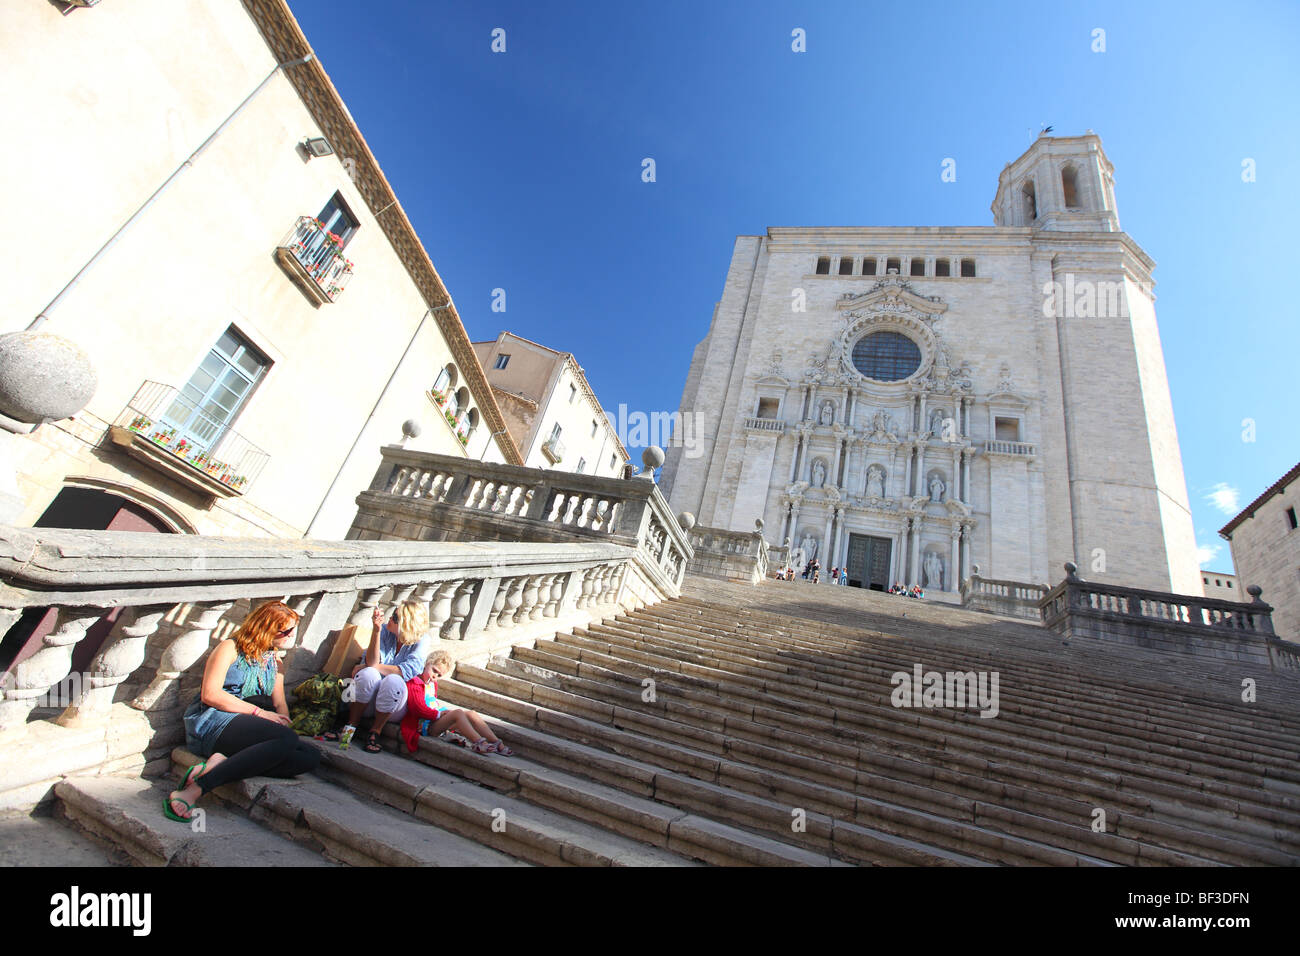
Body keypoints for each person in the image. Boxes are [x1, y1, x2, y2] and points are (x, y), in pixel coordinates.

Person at [167, 601, 320, 823]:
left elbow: (279, 703)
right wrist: (260, 713)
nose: (289, 636)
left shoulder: (275, 661)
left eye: (292, 630)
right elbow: (210, 694)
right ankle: (193, 790)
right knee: (285, 739)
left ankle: (223, 761)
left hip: (248, 726)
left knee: (309, 757)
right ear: (265, 628)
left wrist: (283, 719)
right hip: (215, 719)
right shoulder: (230, 648)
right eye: (284, 630)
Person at [330, 601, 434, 754]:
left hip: (393, 703)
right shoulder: (384, 630)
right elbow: (371, 662)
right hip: (370, 696)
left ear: (407, 624)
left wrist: (373, 666)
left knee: (393, 680)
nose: (390, 619)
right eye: (392, 615)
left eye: (396, 618)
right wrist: (376, 631)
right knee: (367, 674)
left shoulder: (422, 641)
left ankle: (375, 731)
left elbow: (405, 671)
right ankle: (351, 725)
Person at [399, 650, 513, 756]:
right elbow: (418, 709)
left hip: (434, 720)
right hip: (424, 726)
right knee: (458, 713)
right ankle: (479, 742)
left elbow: (432, 704)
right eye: (434, 670)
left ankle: (497, 743)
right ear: (427, 663)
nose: (435, 676)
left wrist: (442, 713)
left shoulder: (432, 685)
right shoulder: (415, 683)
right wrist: (438, 714)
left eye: (439, 675)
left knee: (471, 714)